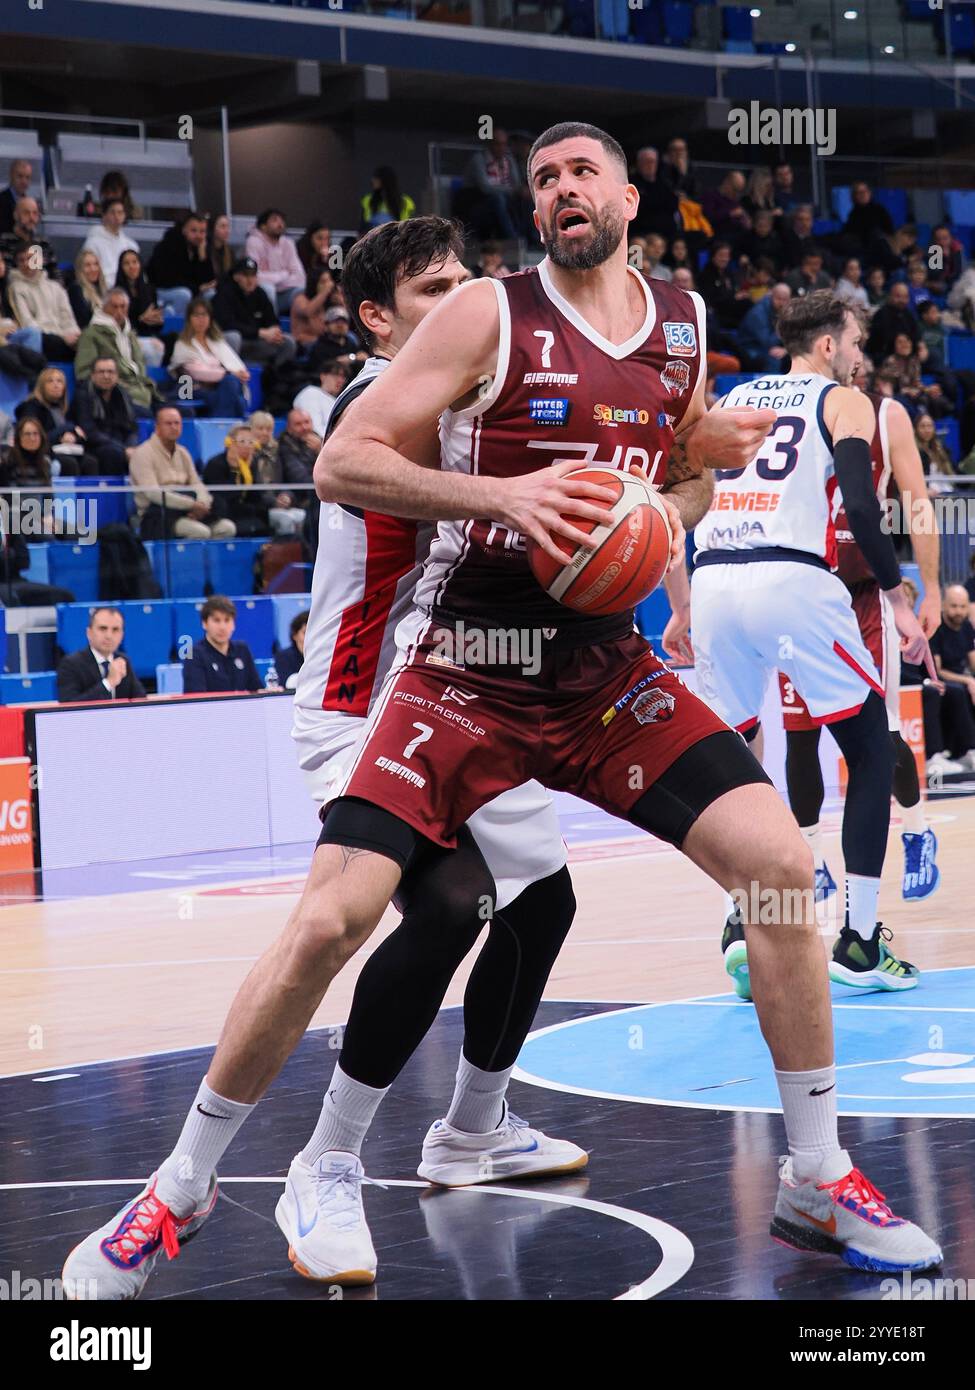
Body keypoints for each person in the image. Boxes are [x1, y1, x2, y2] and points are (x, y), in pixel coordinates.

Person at [62, 129, 943, 1305]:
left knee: (780, 868)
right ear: (532, 207)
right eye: (543, 178)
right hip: (467, 660)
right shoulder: (487, 314)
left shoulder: (681, 325)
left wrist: (671, 506)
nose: (564, 189)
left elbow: (674, 481)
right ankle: (180, 1188)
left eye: (584, 172)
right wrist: (508, 497)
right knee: (337, 917)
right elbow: (342, 462)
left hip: (601, 670)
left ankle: (815, 1173)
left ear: (632, 197)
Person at [689, 290, 935, 1002]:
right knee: (866, 748)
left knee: (735, 754)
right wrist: (895, 594)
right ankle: (858, 941)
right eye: (855, 343)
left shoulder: (733, 396)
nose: (860, 356)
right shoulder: (842, 401)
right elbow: (860, 507)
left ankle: (742, 920)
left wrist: (679, 600)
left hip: (713, 580)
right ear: (827, 346)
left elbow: (688, 488)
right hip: (792, 579)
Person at [769, 390, 943, 916]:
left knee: (882, 730)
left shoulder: (886, 416)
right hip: (803, 594)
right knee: (800, 737)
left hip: (867, 597)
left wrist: (931, 587)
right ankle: (811, 859)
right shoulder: (787, 406)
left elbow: (917, 503)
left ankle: (917, 832)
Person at [129, 404, 235, 540]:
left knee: (226, 528)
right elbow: (153, 494)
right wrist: (191, 505)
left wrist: (202, 504)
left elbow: (197, 483)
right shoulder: (143, 454)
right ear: (157, 427)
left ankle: (210, 561)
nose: (174, 427)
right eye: (168, 423)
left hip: (189, 510)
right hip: (158, 514)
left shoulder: (183, 452)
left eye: (177, 423)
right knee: (200, 532)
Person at [74, 287, 156, 414]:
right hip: (115, 396)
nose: (119, 311)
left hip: (141, 389)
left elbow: (140, 365)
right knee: (147, 414)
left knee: (183, 411)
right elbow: (83, 372)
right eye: (114, 307)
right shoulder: (91, 334)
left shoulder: (130, 334)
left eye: (123, 307)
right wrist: (113, 384)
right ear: (104, 308)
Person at [168, 297, 249, 417]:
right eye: (196, 315)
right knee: (233, 395)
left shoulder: (217, 342)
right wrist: (227, 373)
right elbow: (197, 372)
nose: (201, 320)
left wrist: (239, 373)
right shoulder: (183, 344)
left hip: (216, 388)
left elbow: (237, 366)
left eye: (204, 315)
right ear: (189, 319)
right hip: (190, 388)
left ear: (210, 319)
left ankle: (220, 423)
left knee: (232, 388)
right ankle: (224, 425)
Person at [212, 256, 296, 369]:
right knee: (234, 337)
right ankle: (231, 374)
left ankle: (275, 376)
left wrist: (274, 331)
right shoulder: (225, 294)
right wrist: (260, 332)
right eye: (246, 275)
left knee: (288, 342)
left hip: (256, 342)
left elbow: (272, 319)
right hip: (235, 343)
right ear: (236, 276)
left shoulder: (260, 293)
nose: (250, 280)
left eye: (253, 275)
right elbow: (227, 325)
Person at [926, 585, 975, 773]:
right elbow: (937, 670)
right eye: (954, 606)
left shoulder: (966, 627)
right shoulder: (936, 627)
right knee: (957, 690)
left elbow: (972, 662)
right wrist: (968, 681)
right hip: (938, 680)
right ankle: (968, 750)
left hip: (962, 679)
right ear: (944, 605)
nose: (959, 612)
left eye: (963, 607)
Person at [6, 243, 80, 361]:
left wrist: (73, 335)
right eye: (21, 260)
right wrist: (62, 337)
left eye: (30, 258)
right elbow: (27, 322)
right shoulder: (15, 288)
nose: (26, 263)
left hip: (63, 337)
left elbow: (68, 318)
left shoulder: (55, 287)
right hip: (43, 339)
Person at [57, 606, 147, 703]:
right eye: (103, 629)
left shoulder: (123, 660)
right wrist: (108, 683)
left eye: (115, 630)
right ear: (89, 633)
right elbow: (69, 706)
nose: (109, 636)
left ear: (122, 635)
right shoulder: (71, 664)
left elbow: (141, 700)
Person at [69, 356, 140, 476]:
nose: (106, 376)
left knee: (144, 453)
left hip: (120, 445)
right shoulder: (83, 394)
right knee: (113, 453)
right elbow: (89, 432)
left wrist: (131, 447)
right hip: (92, 446)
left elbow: (132, 428)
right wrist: (124, 449)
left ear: (117, 375)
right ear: (92, 375)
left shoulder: (123, 395)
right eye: (101, 372)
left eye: (110, 372)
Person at [181, 595, 262, 694]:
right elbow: (195, 699)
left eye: (227, 620)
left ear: (233, 625)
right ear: (204, 623)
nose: (222, 627)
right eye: (216, 620)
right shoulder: (194, 655)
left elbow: (256, 689)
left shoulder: (242, 649)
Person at [202, 423, 271, 537]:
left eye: (250, 442)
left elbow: (255, 495)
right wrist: (234, 471)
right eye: (242, 441)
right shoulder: (216, 464)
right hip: (222, 513)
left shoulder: (251, 464)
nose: (247, 446)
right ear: (230, 443)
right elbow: (226, 497)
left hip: (245, 512)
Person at [248, 409, 310, 535]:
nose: (265, 433)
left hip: (279, 504)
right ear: (250, 429)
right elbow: (252, 492)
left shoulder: (277, 451)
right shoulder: (246, 455)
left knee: (302, 516)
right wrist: (273, 502)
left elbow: (287, 481)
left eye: (269, 429)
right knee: (286, 519)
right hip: (258, 507)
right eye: (260, 429)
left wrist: (286, 496)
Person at [146, 211, 215, 319]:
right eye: (194, 231)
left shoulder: (202, 247)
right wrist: (198, 288)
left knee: (210, 294)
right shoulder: (168, 246)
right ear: (184, 230)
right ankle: (175, 328)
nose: (198, 236)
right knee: (184, 295)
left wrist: (203, 257)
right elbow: (168, 279)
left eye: (202, 232)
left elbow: (208, 280)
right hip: (161, 289)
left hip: (189, 288)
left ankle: (201, 329)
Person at [244, 208, 305, 314]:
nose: (280, 223)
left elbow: (300, 276)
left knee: (301, 290)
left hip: (283, 292)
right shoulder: (253, 242)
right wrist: (284, 274)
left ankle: (298, 328)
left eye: (282, 220)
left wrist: (278, 283)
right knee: (268, 288)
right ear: (263, 226)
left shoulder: (288, 243)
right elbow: (254, 276)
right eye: (275, 220)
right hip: (261, 294)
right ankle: (273, 326)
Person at [736, 281, 791, 372]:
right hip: (751, 348)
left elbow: (795, 337)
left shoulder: (786, 311)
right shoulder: (758, 313)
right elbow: (766, 342)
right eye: (779, 299)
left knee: (796, 356)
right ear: (771, 296)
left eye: (785, 300)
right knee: (773, 359)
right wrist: (781, 326)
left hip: (770, 347)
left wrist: (785, 350)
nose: (782, 303)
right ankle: (772, 386)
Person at [116, 249, 165, 349]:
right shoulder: (117, 293)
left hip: (148, 334)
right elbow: (118, 324)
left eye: (135, 262)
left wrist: (158, 321)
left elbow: (155, 326)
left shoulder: (149, 289)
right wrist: (141, 319)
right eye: (127, 263)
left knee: (173, 338)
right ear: (121, 268)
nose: (131, 266)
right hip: (127, 337)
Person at [0, 197, 59, 281]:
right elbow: (6, 277)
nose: (31, 218)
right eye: (26, 213)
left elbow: (55, 273)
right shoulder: (3, 242)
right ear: (16, 216)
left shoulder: (44, 242)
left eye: (35, 213)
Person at [82, 198, 139, 284]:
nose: (116, 216)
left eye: (120, 212)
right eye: (112, 212)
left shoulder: (131, 245)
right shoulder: (92, 243)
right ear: (104, 216)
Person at [628, 146, 679, 239]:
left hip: (665, 234)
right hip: (639, 233)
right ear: (639, 163)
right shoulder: (631, 183)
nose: (650, 165)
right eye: (646, 161)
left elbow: (673, 205)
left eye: (653, 161)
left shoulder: (664, 184)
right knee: (637, 248)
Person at [293, 360, 347, 437]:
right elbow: (314, 428)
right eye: (336, 375)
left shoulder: (338, 400)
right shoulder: (311, 393)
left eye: (343, 377)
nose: (340, 380)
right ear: (323, 376)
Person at [867, 281, 920, 360]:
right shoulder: (881, 314)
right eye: (898, 296)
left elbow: (916, 335)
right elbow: (878, 342)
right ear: (890, 296)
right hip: (885, 356)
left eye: (905, 297)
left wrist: (921, 346)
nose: (902, 300)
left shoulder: (909, 314)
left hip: (907, 354)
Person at [289, 267, 335, 350]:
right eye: (323, 282)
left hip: (324, 340)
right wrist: (325, 292)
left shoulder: (326, 301)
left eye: (329, 281)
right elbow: (308, 312)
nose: (328, 286)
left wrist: (341, 301)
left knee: (349, 338)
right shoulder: (300, 299)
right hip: (304, 342)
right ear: (314, 283)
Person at [359, 166, 416, 231]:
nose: (372, 180)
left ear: (385, 179)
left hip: (396, 238)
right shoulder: (368, 200)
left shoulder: (406, 202)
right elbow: (362, 226)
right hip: (372, 238)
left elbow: (410, 227)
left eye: (376, 177)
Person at [66, 248, 107, 330]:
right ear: (80, 269)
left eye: (96, 264)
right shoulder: (76, 289)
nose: (93, 269)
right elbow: (84, 322)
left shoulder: (103, 290)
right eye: (87, 265)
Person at [275, 609, 307, 689]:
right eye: (305, 632)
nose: (309, 637)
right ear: (295, 635)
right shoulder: (284, 657)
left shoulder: (322, 655)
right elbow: (286, 683)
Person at [0, 159, 33, 236]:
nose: (24, 181)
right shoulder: (1, 200)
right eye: (20, 176)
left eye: (27, 177)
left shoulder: (29, 203)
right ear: (11, 176)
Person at [206, 212, 234, 282]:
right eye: (223, 226)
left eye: (228, 226)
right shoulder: (205, 249)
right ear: (213, 228)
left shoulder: (229, 251)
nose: (227, 231)